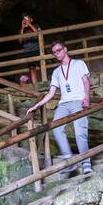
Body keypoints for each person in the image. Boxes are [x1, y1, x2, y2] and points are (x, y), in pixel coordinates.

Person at [25, 41, 93, 174]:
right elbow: (51, 93)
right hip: (64, 104)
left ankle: (86, 163)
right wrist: (37, 105)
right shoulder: (56, 72)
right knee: (55, 128)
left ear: (65, 49)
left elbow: (86, 81)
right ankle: (69, 161)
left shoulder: (79, 64)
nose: (57, 54)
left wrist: (86, 98)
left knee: (80, 133)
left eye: (59, 50)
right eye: (54, 52)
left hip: (78, 101)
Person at [18, 13, 41, 85]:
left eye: (27, 19)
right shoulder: (21, 30)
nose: (26, 21)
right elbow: (20, 41)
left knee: (41, 66)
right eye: (24, 20)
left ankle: (44, 82)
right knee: (32, 68)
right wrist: (22, 28)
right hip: (28, 52)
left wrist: (30, 25)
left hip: (37, 50)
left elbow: (38, 35)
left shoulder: (36, 26)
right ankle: (35, 85)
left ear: (31, 19)